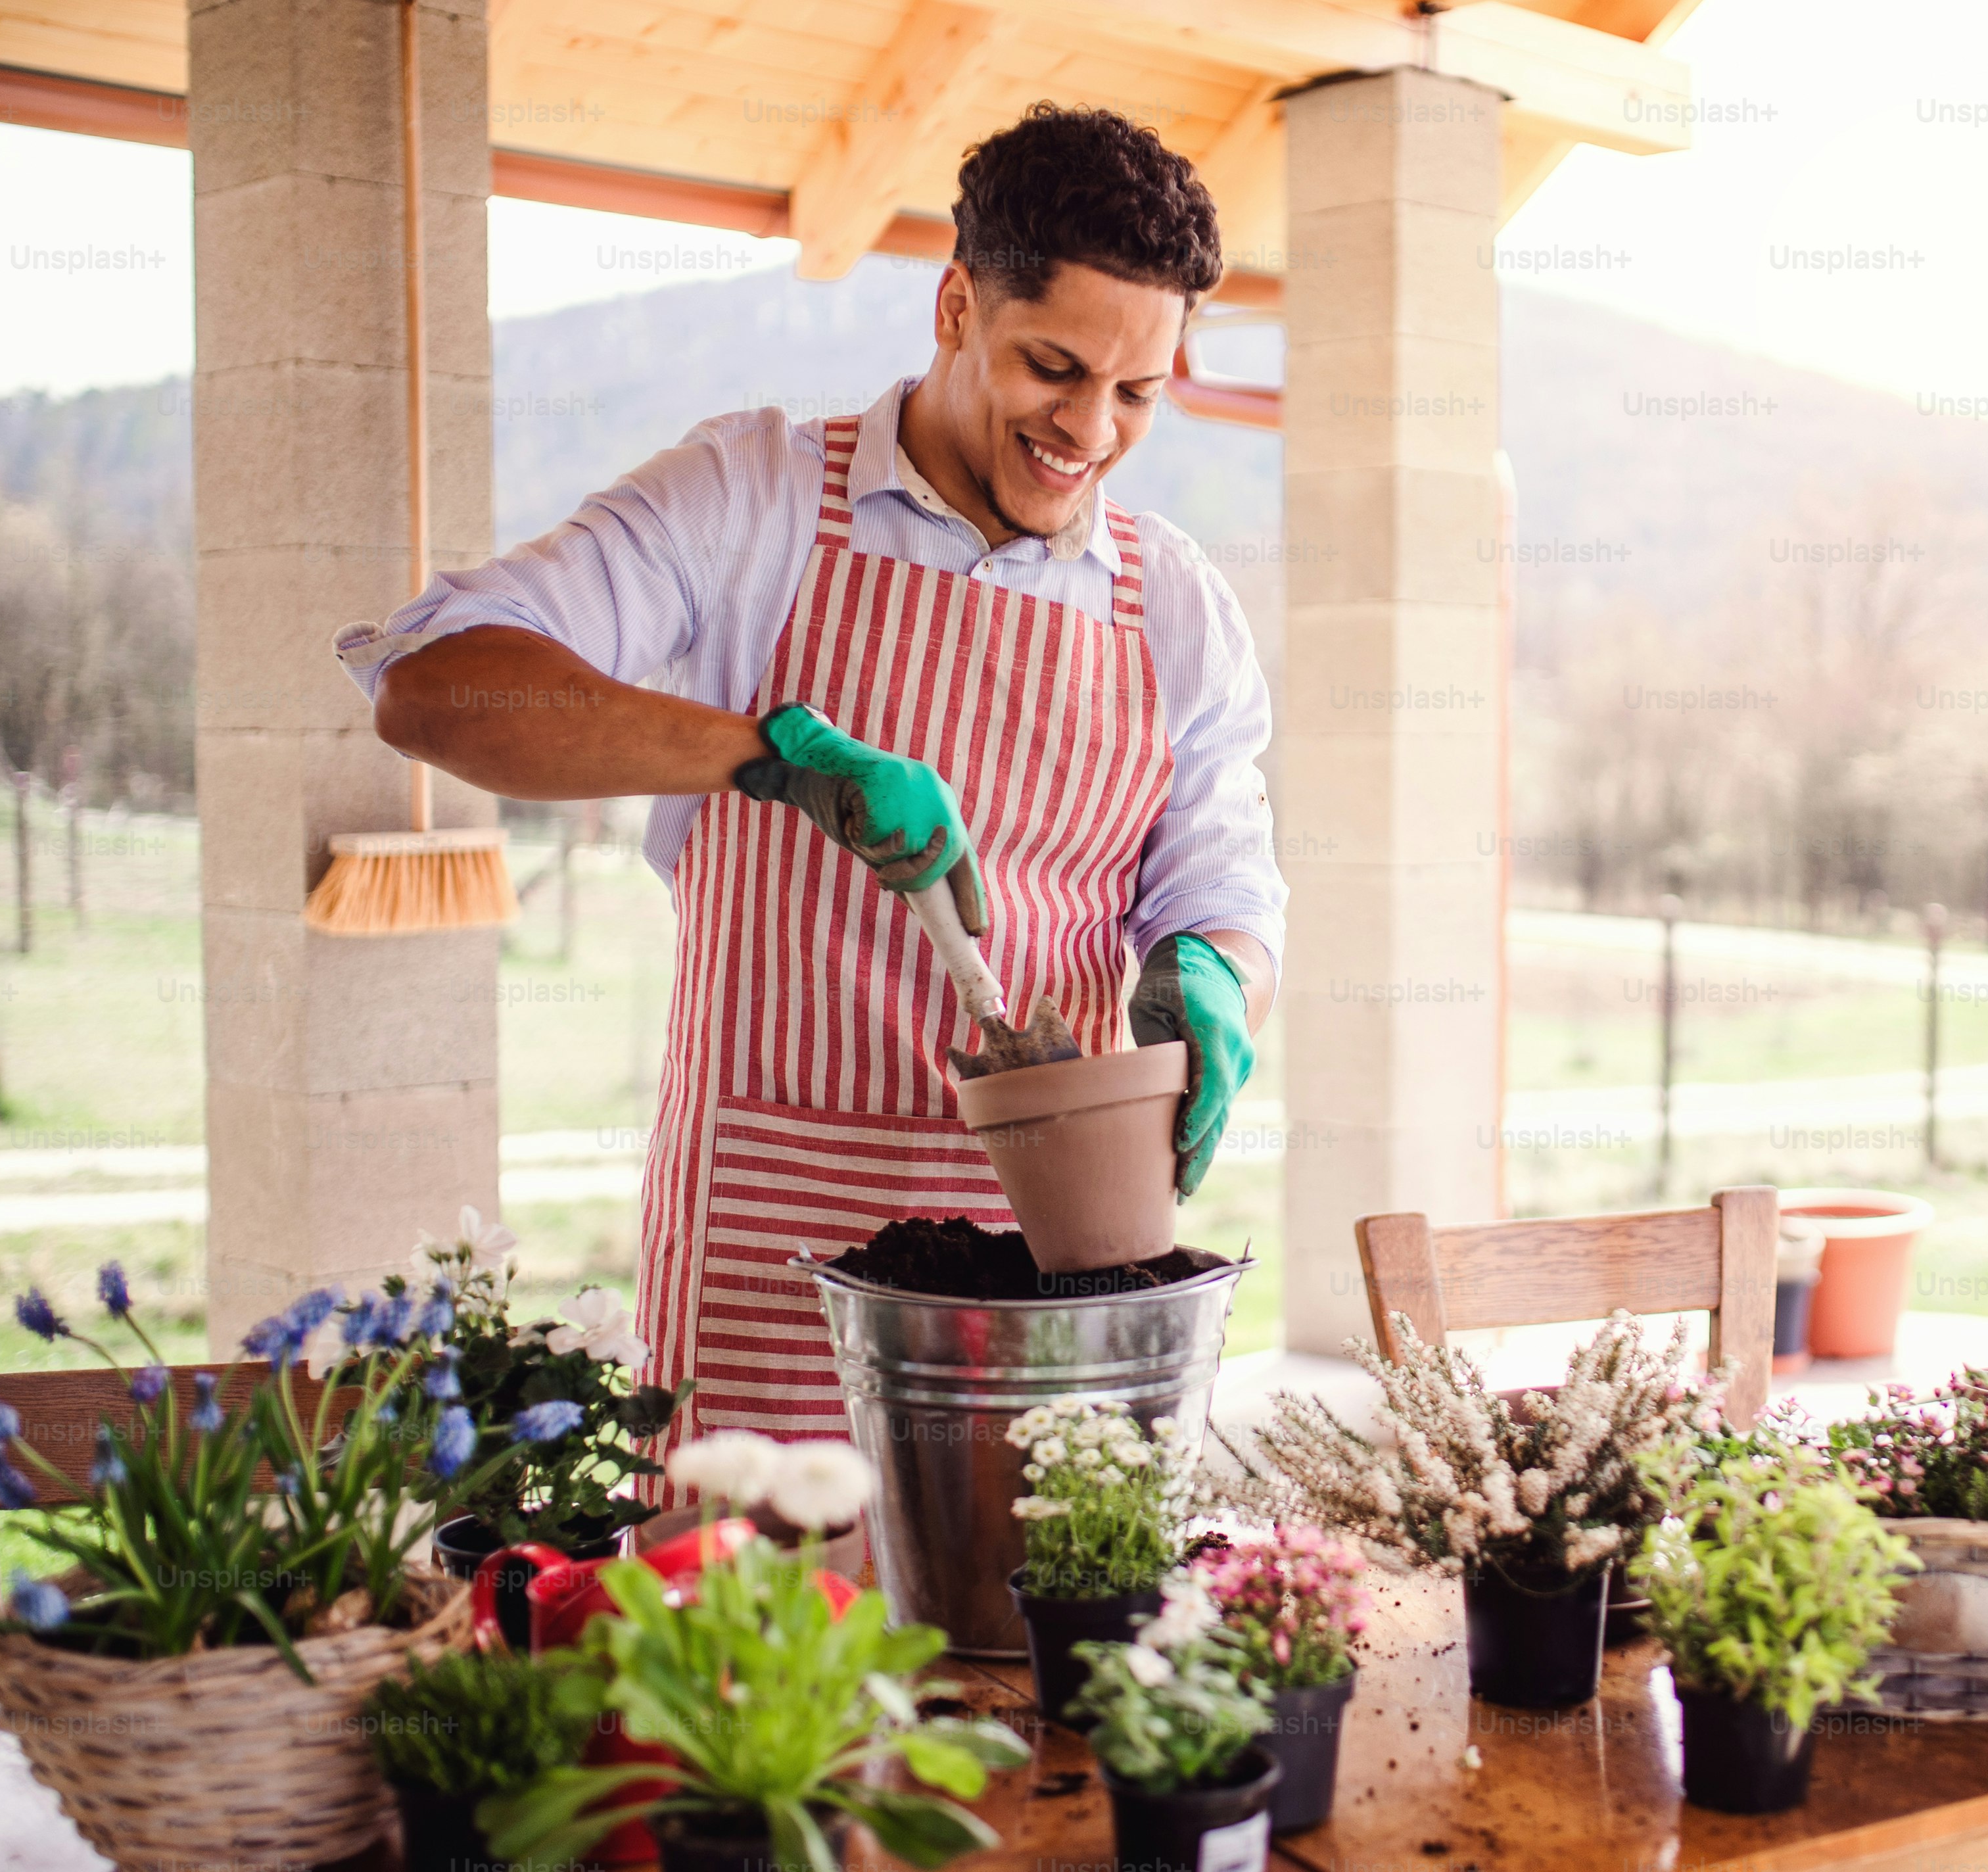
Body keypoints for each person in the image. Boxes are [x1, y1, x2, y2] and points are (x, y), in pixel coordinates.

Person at [336, 105, 1284, 1440]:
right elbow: (436, 686)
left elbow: (1221, 874)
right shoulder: (755, 500)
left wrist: (1213, 969)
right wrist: (765, 757)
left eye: (1136, 393)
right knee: (749, 1642)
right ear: (956, 305)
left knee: (1042, 1637)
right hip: (772, 1261)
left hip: (1057, 1267)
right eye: (1052, 368)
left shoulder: (1173, 602)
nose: (1090, 429)